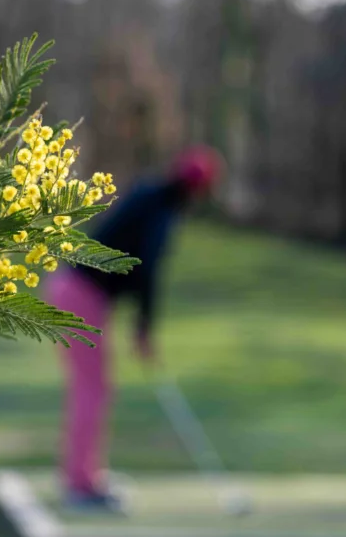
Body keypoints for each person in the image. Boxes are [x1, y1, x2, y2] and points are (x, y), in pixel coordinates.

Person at [45, 145, 224, 511]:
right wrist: (144, 329)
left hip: (74, 290)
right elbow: (146, 271)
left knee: (93, 388)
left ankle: (84, 475)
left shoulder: (150, 194)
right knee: (92, 389)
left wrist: (141, 326)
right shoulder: (161, 211)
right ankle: (80, 484)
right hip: (82, 294)